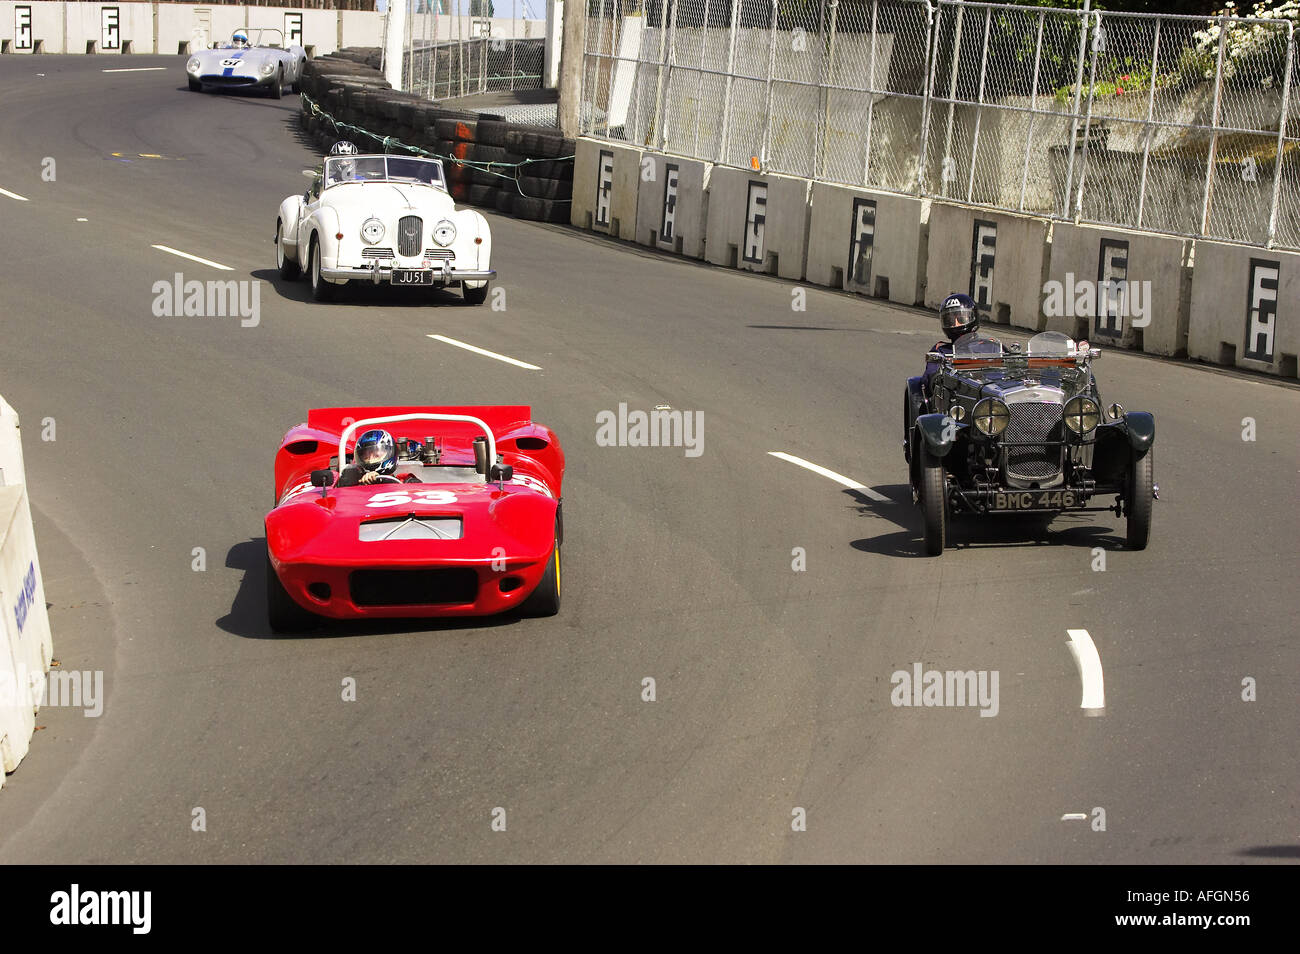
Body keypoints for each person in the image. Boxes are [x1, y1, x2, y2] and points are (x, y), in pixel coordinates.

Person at [922, 293, 980, 406]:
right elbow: (929, 377)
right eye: (950, 320)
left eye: (961, 318)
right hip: (955, 402)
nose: (955, 324)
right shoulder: (941, 349)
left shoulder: (991, 344)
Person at [336, 429, 409, 486]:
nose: (371, 460)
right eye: (366, 457)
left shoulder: (405, 481)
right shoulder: (353, 483)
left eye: (376, 455)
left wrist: (381, 480)